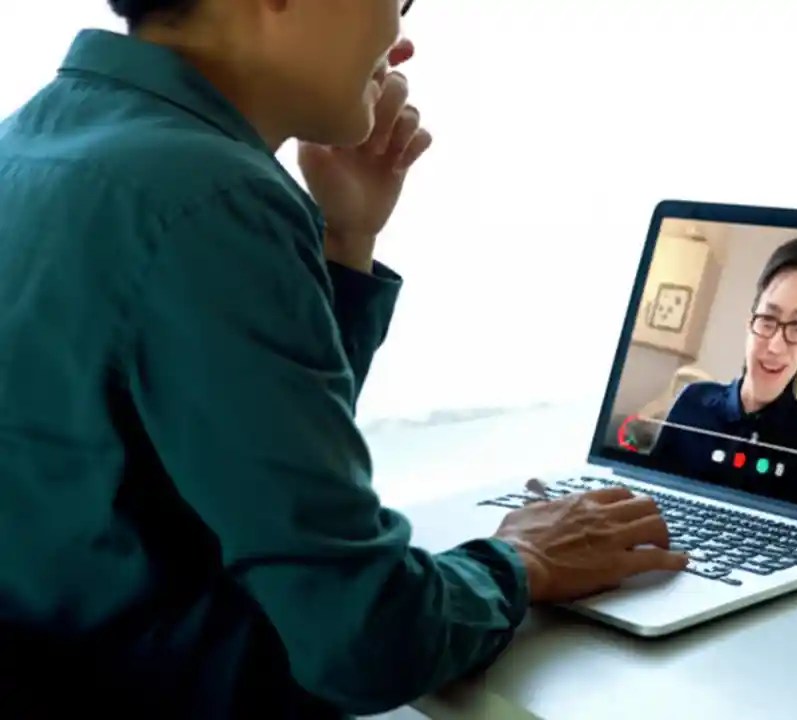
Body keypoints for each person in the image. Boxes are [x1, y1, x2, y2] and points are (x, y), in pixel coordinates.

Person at [0, 1, 687, 717]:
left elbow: (229, 453)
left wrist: (347, 239)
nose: (399, 34)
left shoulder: (32, 142)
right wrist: (522, 562)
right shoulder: (211, 195)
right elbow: (367, 639)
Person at [647, 237, 797, 506]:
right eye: (768, 319)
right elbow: (648, 500)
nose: (775, 346)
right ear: (750, 321)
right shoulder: (692, 402)